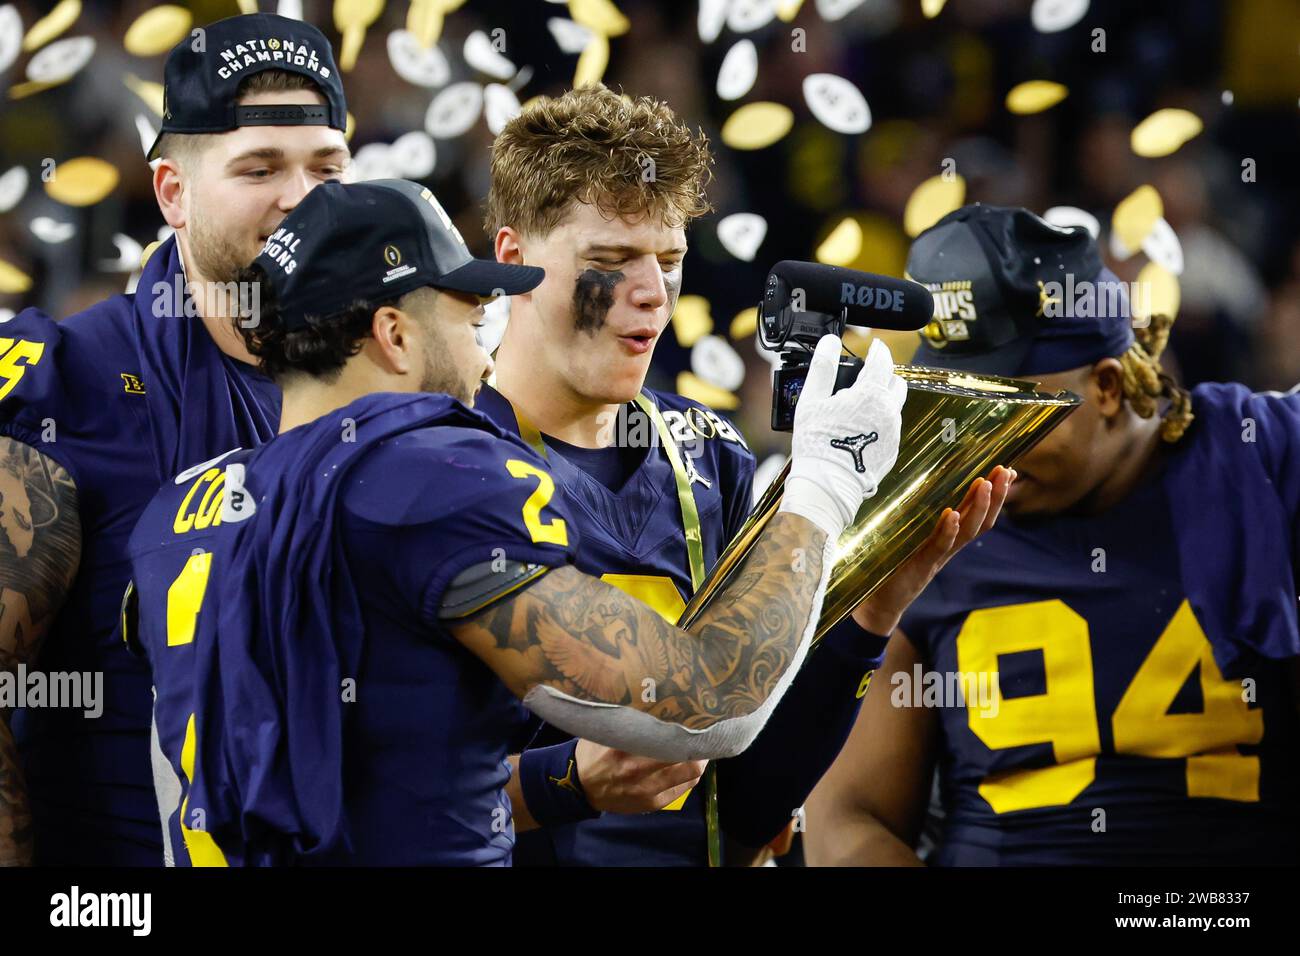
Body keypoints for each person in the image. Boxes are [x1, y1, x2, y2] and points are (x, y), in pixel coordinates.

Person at [124, 178, 910, 865]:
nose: (482, 359)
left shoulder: (179, 508)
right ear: (395, 335)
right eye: (469, 324)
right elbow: (710, 702)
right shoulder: (424, 472)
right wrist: (826, 479)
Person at [478, 85, 1011, 865]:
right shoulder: (439, 458)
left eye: (669, 261)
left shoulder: (709, 454)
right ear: (513, 260)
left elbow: (749, 798)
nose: (653, 295)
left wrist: (875, 608)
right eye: (610, 261)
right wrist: (567, 783)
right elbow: (373, 801)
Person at [805, 204, 1300, 866]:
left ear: (1104, 386)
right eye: (960, 407)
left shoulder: (1264, 461)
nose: (977, 447)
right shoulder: (924, 516)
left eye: (1008, 411)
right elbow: (847, 819)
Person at [0, 12, 350, 866]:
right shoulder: (69, 380)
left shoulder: (405, 379)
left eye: (325, 168)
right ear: (172, 193)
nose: (300, 199)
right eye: (259, 167)